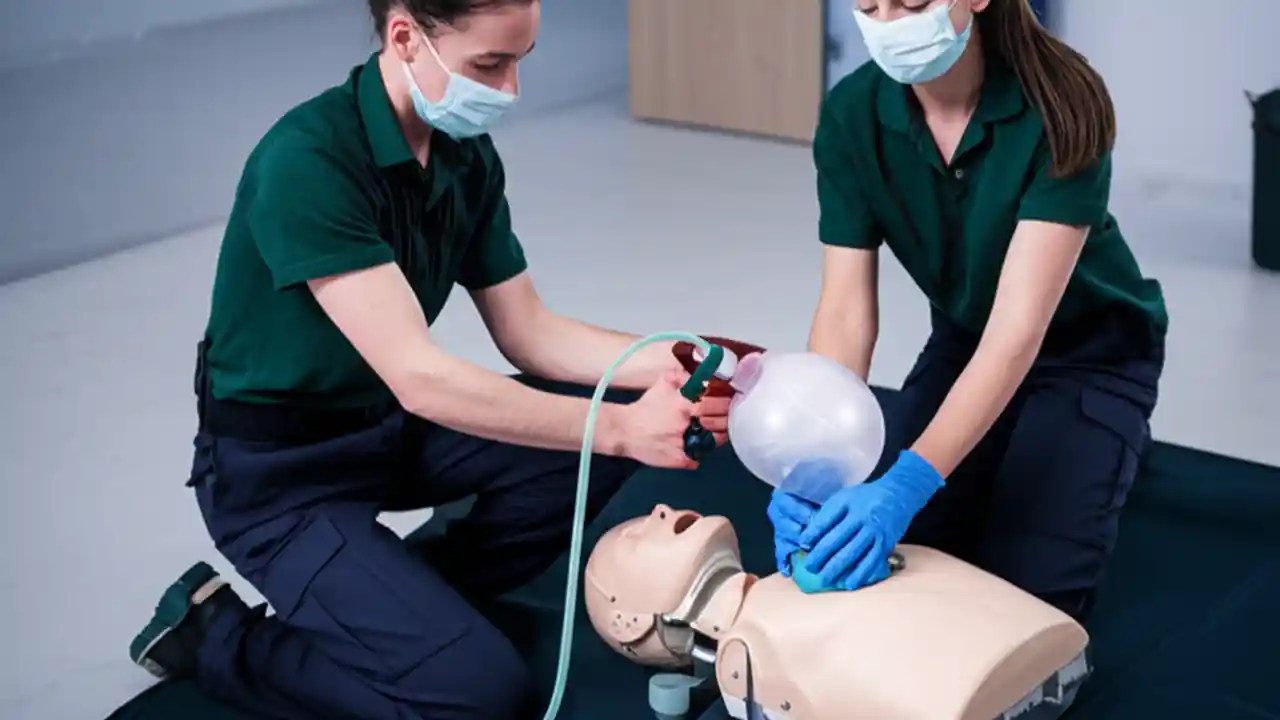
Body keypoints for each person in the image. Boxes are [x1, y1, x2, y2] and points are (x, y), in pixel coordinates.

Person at [127, 1, 731, 718]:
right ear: (405, 37)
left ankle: (415, 603)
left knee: (606, 418)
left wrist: (684, 358)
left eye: (519, 62)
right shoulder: (308, 161)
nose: (509, 90)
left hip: (385, 432)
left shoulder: (462, 154)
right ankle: (215, 637)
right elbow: (419, 378)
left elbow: (530, 333)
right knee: (479, 695)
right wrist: (626, 430)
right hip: (280, 482)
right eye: (490, 64)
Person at [768, 0, 1167, 625]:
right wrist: (819, 460)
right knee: (896, 548)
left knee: (1028, 601)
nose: (891, 23)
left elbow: (1017, 332)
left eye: (913, 3)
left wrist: (907, 484)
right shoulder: (852, 115)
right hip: (966, 340)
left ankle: (1111, 435)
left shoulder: (1064, 104)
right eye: (869, 5)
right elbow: (845, 311)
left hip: (1092, 352)